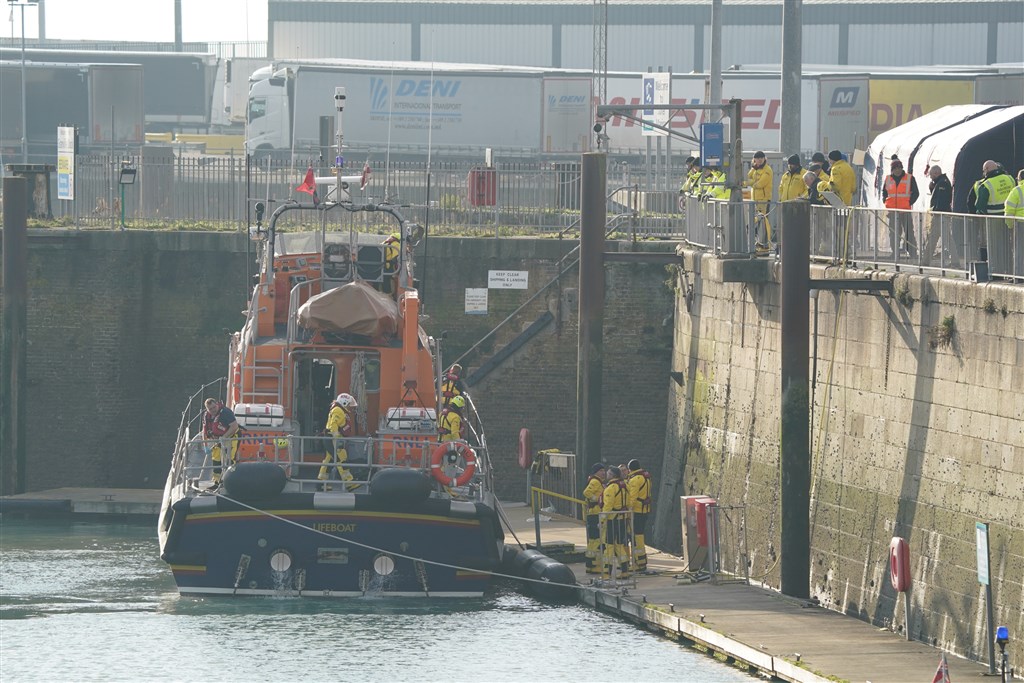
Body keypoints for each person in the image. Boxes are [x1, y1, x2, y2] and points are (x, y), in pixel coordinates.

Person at [969, 160, 1016, 266]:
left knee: (994, 244)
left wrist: (981, 216)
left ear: (986, 170)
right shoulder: (1010, 179)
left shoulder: (985, 185)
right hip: (1010, 217)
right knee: (1008, 244)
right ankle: (1009, 267)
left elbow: (979, 206)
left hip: (993, 219)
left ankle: (996, 268)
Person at [318, 392, 358, 490]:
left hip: (332, 438)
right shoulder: (338, 410)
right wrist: (336, 437)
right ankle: (349, 482)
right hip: (333, 439)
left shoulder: (338, 409)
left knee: (329, 460)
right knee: (341, 459)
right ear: (344, 403)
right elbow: (333, 424)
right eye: (348, 404)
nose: (349, 406)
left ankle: (321, 483)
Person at [882, 158, 920, 258]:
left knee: (909, 233)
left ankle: (912, 252)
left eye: (899, 168)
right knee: (893, 234)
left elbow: (916, 193)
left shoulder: (909, 178)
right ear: (892, 169)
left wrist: (909, 202)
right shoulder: (888, 179)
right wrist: (885, 201)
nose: (897, 170)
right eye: (895, 168)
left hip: (905, 211)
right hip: (893, 212)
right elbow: (884, 192)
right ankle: (895, 252)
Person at [601, 466, 631, 578]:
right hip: (622, 519)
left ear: (613, 475)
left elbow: (608, 506)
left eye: (608, 473)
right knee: (619, 545)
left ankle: (607, 574)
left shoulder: (610, 488)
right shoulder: (625, 486)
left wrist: (602, 519)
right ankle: (625, 571)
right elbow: (629, 502)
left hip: (611, 520)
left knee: (609, 546)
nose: (606, 475)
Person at [203, 398, 239, 489]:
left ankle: (230, 482)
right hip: (218, 439)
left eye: (214, 407)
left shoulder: (226, 412)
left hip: (231, 437)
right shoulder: (207, 416)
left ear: (217, 405)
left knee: (229, 459)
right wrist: (205, 446)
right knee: (216, 460)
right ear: (207, 409)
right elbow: (205, 431)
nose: (213, 410)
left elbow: (234, 426)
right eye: (210, 409)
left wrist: (224, 437)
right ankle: (216, 482)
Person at [923, 165, 955, 265]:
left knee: (936, 238)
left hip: (940, 216)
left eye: (931, 175)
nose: (931, 177)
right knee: (943, 239)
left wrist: (936, 212)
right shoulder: (940, 182)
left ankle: (925, 261)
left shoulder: (943, 183)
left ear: (936, 173)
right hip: (939, 215)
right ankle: (926, 261)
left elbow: (941, 201)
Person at [626, 459, 653, 573]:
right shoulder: (646, 478)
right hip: (645, 510)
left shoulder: (635, 480)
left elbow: (632, 497)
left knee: (636, 537)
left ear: (630, 469)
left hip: (636, 511)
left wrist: (627, 511)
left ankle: (638, 563)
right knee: (639, 535)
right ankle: (641, 561)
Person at [583, 463, 607, 575]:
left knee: (594, 540)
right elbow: (586, 492)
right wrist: (598, 499)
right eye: (601, 470)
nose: (603, 472)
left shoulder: (599, 482)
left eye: (604, 470)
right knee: (596, 540)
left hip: (595, 514)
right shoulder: (595, 482)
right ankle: (594, 565)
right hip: (595, 514)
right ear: (596, 472)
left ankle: (591, 564)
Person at [746, 151, 774, 245]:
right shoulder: (754, 169)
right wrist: (752, 180)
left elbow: (761, 183)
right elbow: (746, 179)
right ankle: (757, 242)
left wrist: (752, 183)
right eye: (757, 158)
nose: (759, 160)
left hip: (764, 199)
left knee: (763, 221)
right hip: (754, 199)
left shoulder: (767, 170)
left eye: (761, 158)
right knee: (756, 222)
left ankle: (766, 243)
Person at [1004, 169, 1024, 278]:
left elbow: (1009, 211)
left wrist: (1010, 225)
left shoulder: (1016, 191)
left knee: (1019, 250)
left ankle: (1019, 275)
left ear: (1019, 179)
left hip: (1020, 224)